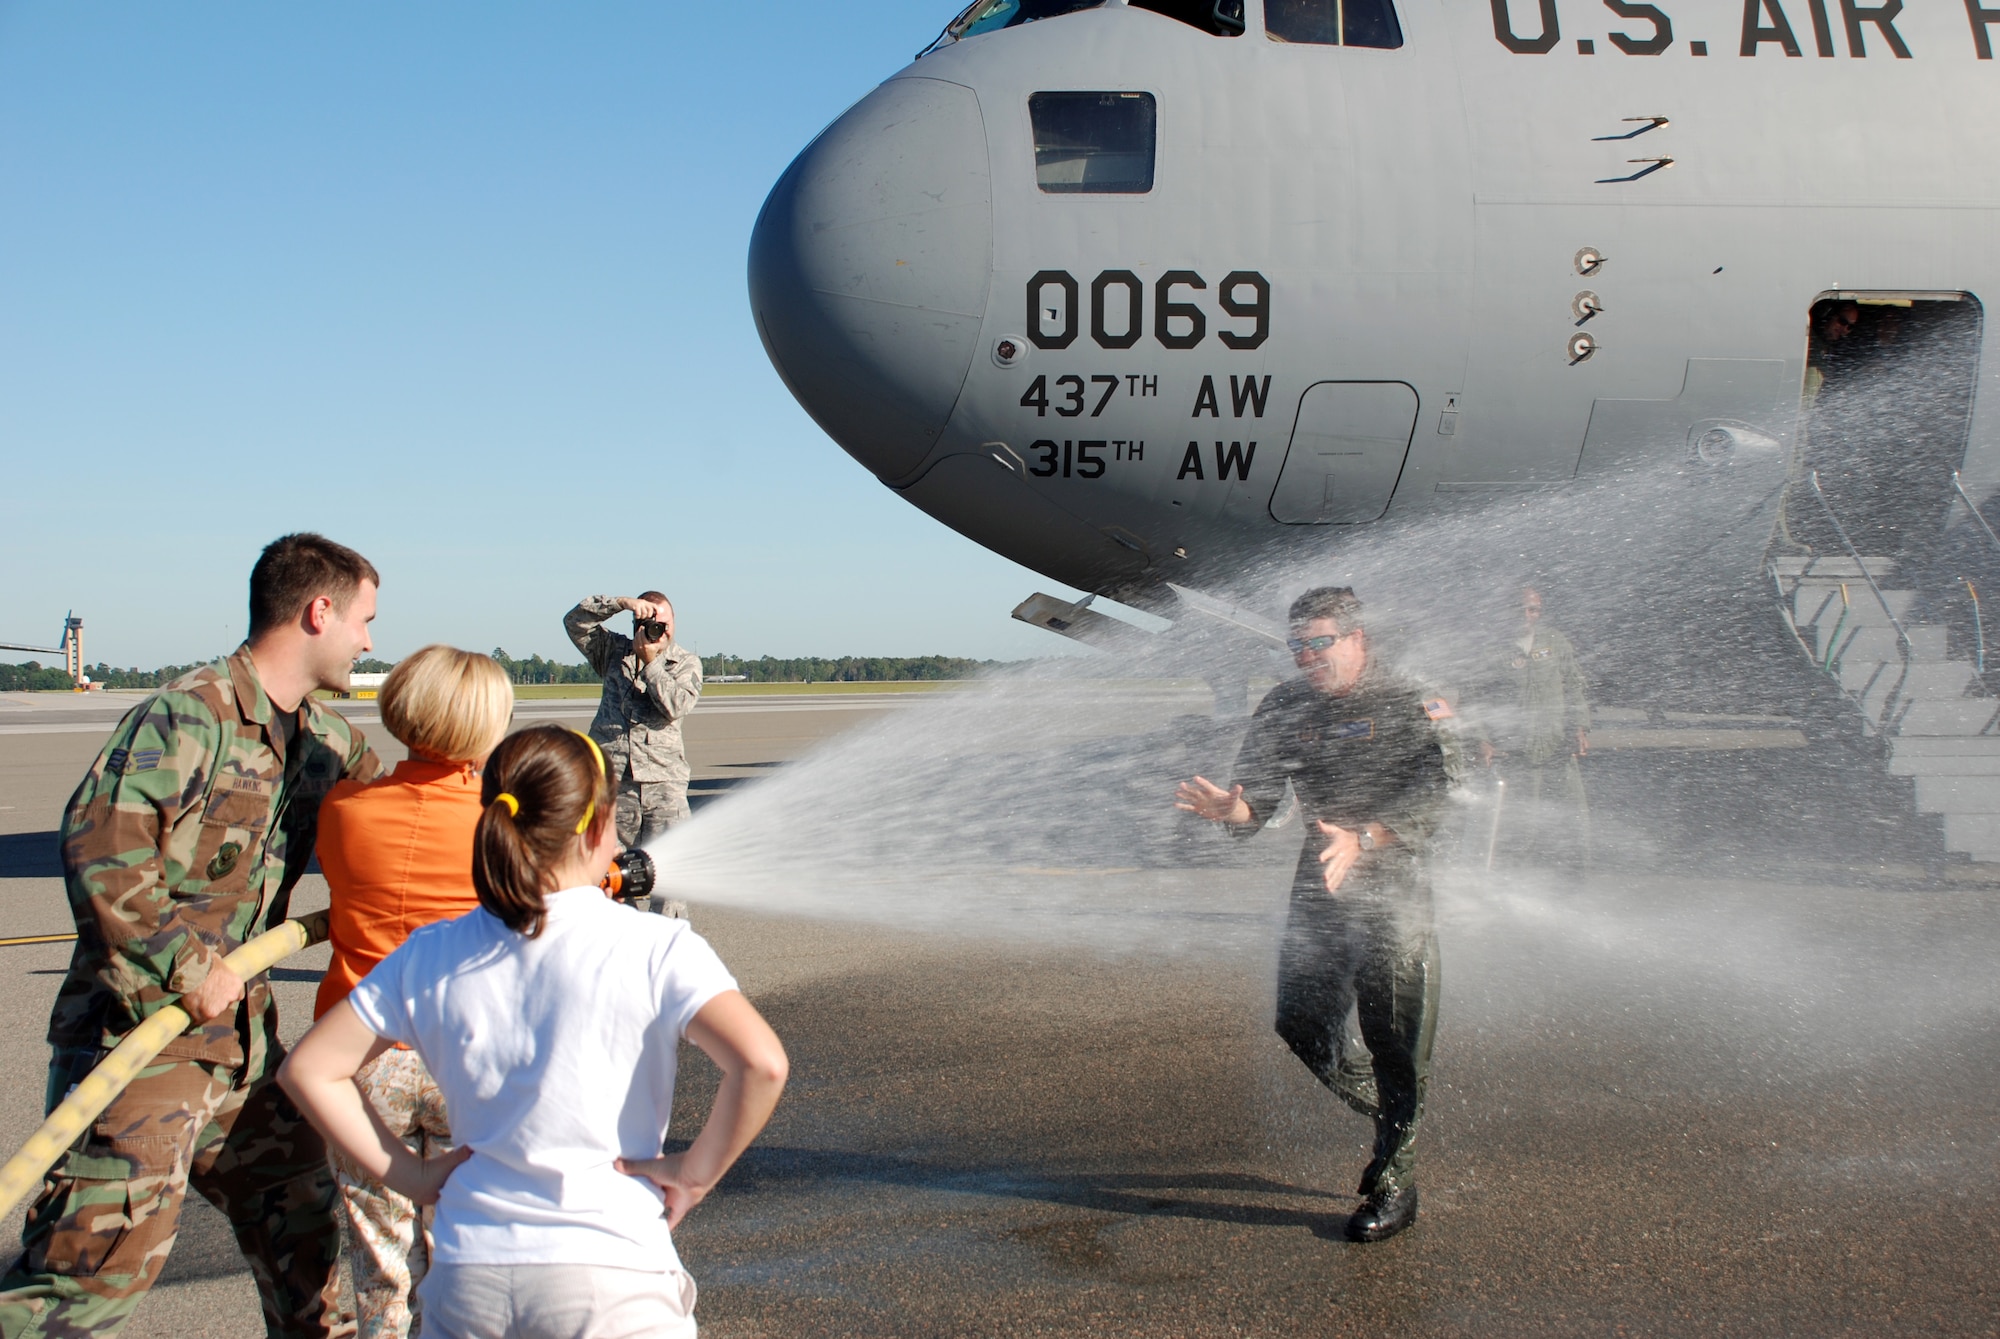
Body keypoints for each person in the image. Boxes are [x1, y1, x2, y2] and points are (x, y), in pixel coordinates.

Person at [279, 725, 787, 1339]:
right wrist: (694, 1174)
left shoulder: (433, 951)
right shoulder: (656, 947)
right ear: (599, 830)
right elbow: (761, 1064)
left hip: (471, 1276)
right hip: (613, 1274)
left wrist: (407, 1177)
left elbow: (308, 1069)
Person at [0, 533, 383, 1338]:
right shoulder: (190, 715)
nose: (369, 640)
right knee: (84, 1286)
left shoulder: (321, 737)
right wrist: (184, 965)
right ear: (320, 611)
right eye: (364, 619)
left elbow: (404, 804)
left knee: (306, 1240)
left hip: (242, 1056)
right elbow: (101, 848)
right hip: (143, 1046)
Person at [1175, 586, 1451, 1242]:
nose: (1306, 657)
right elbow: (1258, 797)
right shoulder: (1283, 705)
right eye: (1296, 645)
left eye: (1320, 643)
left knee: (1394, 1035)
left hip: (1392, 879)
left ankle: (1394, 1175)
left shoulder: (1409, 698)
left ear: (1359, 639)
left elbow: (1439, 790)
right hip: (1319, 881)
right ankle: (1398, 1118)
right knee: (1301, 1022)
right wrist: (1232, 810)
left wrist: (1366, 836)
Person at [312, 645, 515, 1339]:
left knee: (379, 1255)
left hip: (364, 1060)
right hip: (468, 1057)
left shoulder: (344, 809)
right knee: (476, 1243)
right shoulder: (499, 827)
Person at [564, 592, 703, 848]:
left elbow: (677, 705)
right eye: (652, 624)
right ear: (636, 625)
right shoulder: (613, 652)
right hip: (613, 782)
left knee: (670, 867)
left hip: (663, 784)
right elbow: (574, 622)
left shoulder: (685, 662)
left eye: (665, 624)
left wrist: (651, 664)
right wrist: (620, 603)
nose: (659, 631)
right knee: (609, 868)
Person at [1479, 585, 1591, 869]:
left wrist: (1579, 726)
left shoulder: (1556, 643)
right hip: (1517, 753)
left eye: (1533, 610)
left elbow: (1574, 685)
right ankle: (1517, 890)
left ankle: (1571, 887)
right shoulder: (1494, 649)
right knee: (1521, 826)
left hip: (1557, 749)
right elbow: (1477, 698)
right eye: (1521, 609)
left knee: (1570, 821)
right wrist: (1482, 739)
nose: (1527, 616)